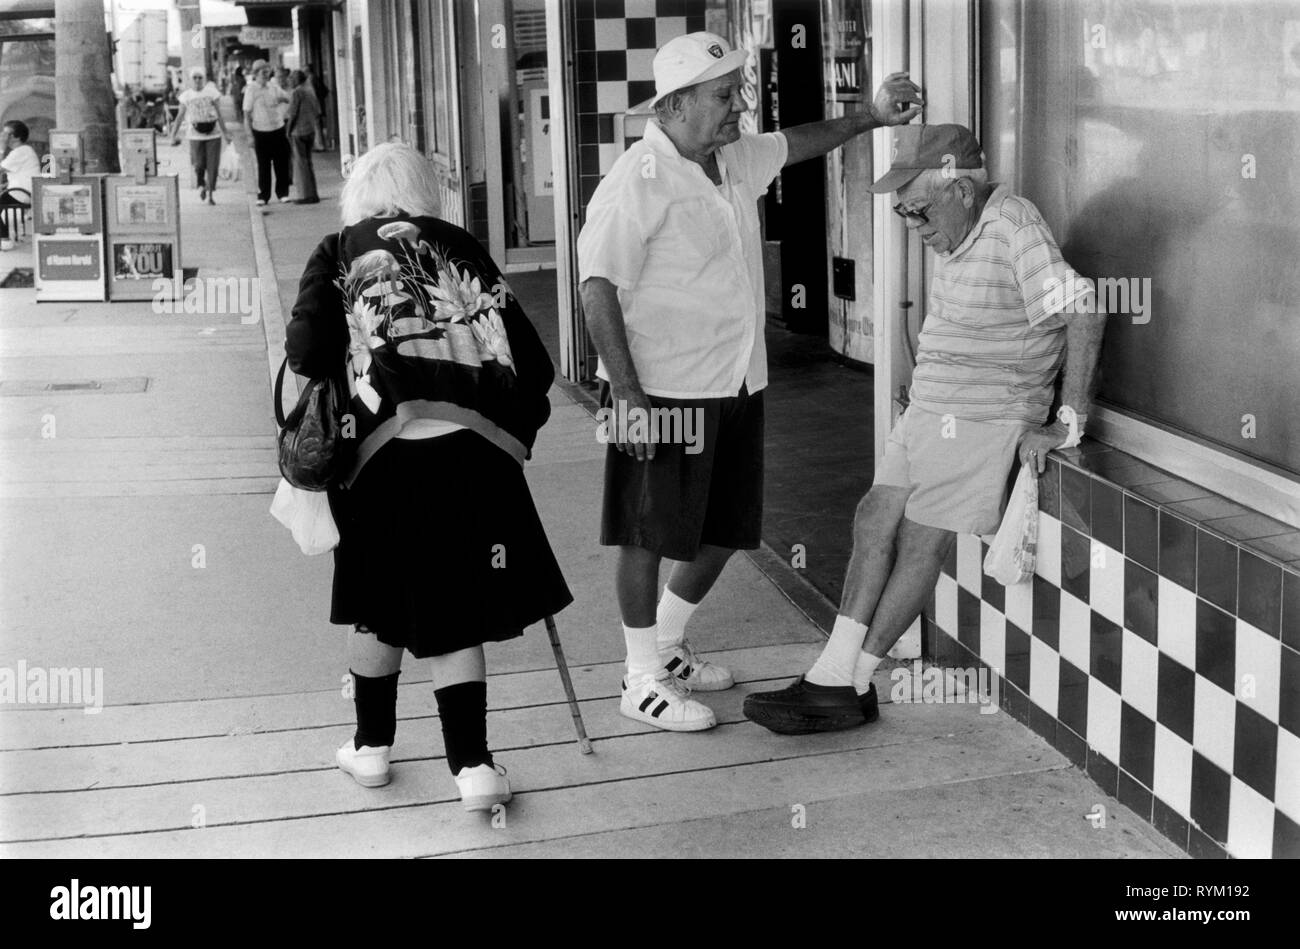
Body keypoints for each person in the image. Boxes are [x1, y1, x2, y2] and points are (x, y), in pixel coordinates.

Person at [576, 32, 922, 732]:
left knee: (729, 528)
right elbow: (595, 285)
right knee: (645, 531)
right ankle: (639, 676)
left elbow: (799, 139)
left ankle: (667, 645)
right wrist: (630, 396)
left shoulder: (728, 160)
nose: (738, 105)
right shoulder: (639, 179)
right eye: (722, 95)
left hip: (737, 384)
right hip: (664, 391)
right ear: (673, 106)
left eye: (737, 90)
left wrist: (875, 117)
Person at [742, 124, 1109, 733]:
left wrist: (1067, 423)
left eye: (918, 209)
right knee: (872, 518)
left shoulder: (1012, 223)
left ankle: (847, 683)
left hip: (980, 417)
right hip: (929, 412)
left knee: (920, 540)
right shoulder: (963, 233)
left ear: (961, 189)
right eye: (903, 213)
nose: (913, 226)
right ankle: (837, 673)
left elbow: (1085, 307)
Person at [283, 142, 572, 812]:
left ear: (359, 196)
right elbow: (533, 362)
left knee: (376, 597)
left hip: (380, 451)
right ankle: (472, 766)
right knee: (454, 603)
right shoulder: (462, 245)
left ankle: (373, 749)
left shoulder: (337, 251)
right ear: (424, 193)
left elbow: (306, 351)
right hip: (477, 452)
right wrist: (510, 424)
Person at [170, 67, 232, 206]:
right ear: (191, 80)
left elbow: (219, 114)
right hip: (195, 136)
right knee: (198, 164)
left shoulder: (212, 93)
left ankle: (210, 194)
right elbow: (179, 117)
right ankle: (201, 186)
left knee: (213, 166)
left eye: (200, 77)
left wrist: (226, 133)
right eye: (195, 78)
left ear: (203, 79)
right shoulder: (186, 96)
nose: (197, 80)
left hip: (213, 135)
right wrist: (173, 135)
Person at [243, 60, 292, 206]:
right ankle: (263, 195)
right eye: (262, 72)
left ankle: (283, 193)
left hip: (277, 128)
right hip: (260, 131)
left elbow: (288, 98)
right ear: (256, 74)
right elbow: (246, 114)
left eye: (267, 72)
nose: (266, 75)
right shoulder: (251, 90)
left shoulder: (274, 86)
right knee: (263, 165)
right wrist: (249, 135)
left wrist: (281, 102)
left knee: (281, 163)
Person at [0, 120, 41, 250]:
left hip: (21, 193)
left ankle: (5, 239)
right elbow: (19, 175)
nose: (2, 136)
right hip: (20, 191)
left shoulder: (21, 151)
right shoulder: (23, 151)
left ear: (16, 137)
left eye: (5, 133)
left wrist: (1, 147)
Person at [285, 69, 320, 204]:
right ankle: (313, 193)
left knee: (301, 165)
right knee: (308, 163)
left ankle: (306, 195)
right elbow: (317, 111)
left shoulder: (297, 92)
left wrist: (288, 130)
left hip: (298, 131)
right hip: (309, 130)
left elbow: (293, 113)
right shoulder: (310, 90)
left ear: (296, 80)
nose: (289, 81)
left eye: (291, 79)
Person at [305, 65, 331, 150]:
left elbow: (313, 94)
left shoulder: (311, 79)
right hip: (316, 105)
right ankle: (320, 144)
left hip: (314, 106)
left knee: (316, 125)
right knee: (317, 125)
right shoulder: (313, 78)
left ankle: (319, 145)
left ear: (307, 71)